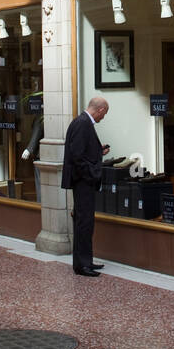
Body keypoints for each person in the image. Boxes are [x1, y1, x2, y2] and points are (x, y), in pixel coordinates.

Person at [61, 96, 109, 276]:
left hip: (82, 180)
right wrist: (92, 174)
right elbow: (78, 156)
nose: (103, 118)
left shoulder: (80, 122)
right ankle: (82, 265)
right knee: (84, 222)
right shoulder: (83, 124)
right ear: (101, 110)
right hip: (83, 182)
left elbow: (81, 151)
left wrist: (98, 150)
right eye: (104, 114)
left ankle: (85, 261)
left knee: (85, 222)